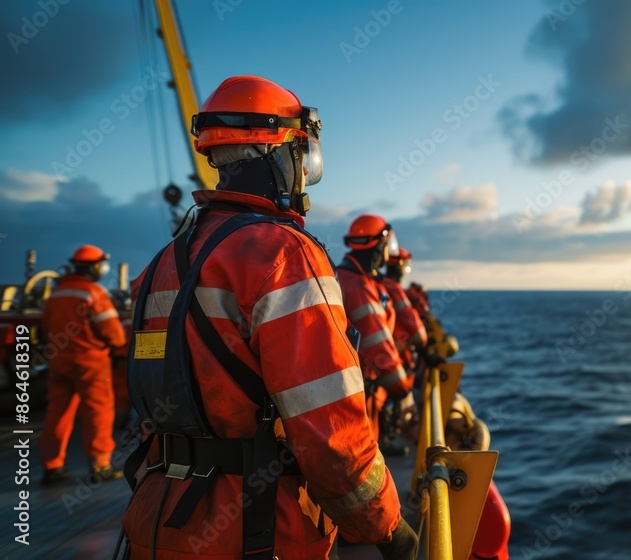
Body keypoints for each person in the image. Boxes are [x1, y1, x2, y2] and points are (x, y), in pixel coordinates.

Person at [120, 76, 416, 560]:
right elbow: (330, 432)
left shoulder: (163, 263)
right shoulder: (283, 255)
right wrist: (387, 528)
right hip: (255, 528)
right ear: (283, 154)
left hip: (156, 520)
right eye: (301, 157)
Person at [39, 244, 126, 485]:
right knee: (98, 411)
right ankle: (100, 467)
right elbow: (115, 335)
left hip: (59, 363)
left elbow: (46, 328)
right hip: (90, 363)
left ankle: (52, 466)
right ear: (95, 267)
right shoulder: (93, 293)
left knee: (58, 413)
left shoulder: (56, 294)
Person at [337, 215, 414, 441]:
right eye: (387, 244)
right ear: (379, 244)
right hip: (358, 393)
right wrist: (402, 390)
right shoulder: (359, 286)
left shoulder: (349, 277)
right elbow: (377, 343)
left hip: (354, 387)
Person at [381, 247, 427, 364]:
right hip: (394, 355)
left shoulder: (378, 284)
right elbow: (411, 322)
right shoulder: (394, 289)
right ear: (401, 267)